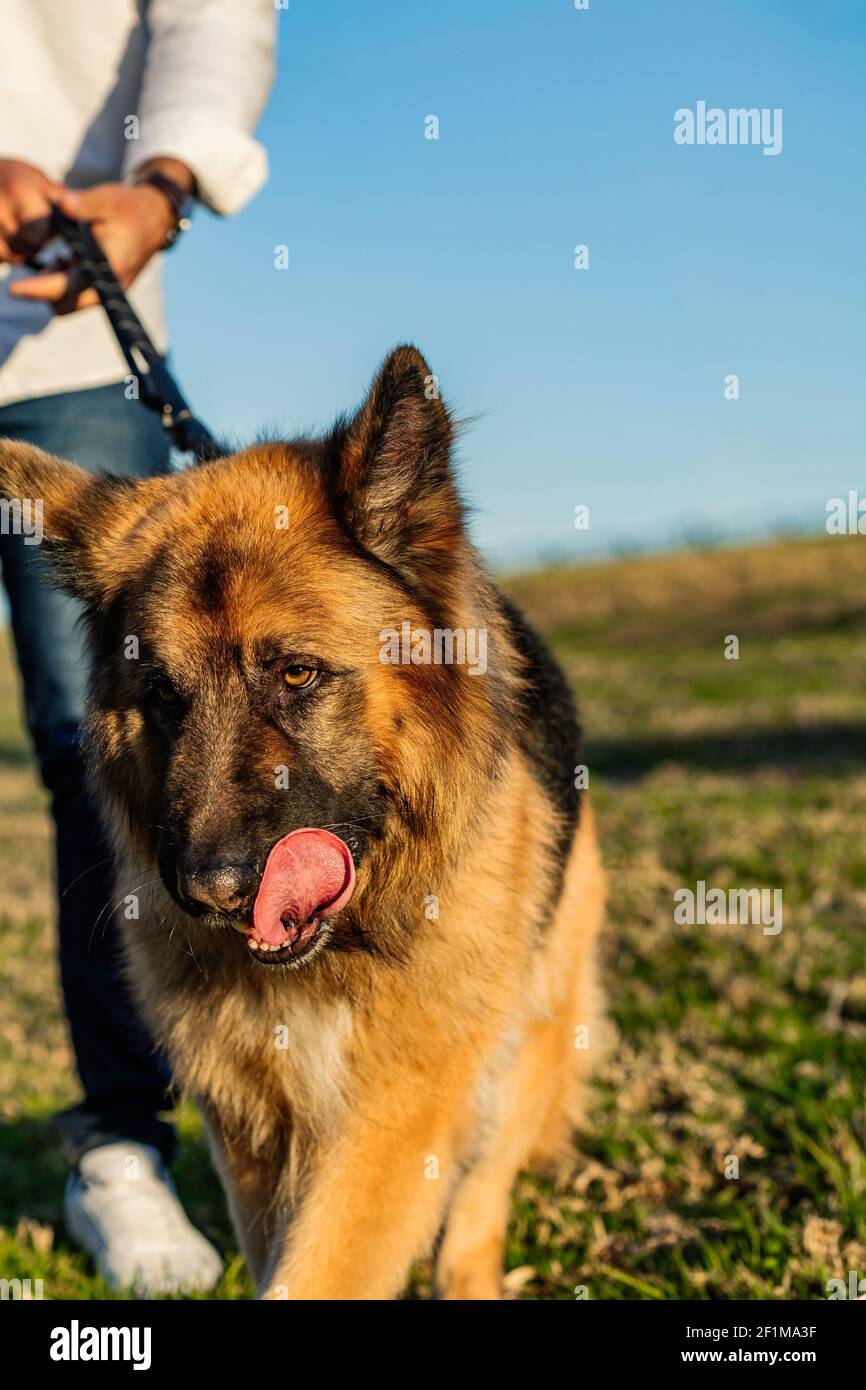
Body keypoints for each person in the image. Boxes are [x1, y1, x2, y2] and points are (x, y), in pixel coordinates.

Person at [0, 0, 276, 1294]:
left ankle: (124, 1139)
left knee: (101, 739)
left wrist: (159, 188)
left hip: (66, 345)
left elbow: (212, 17)